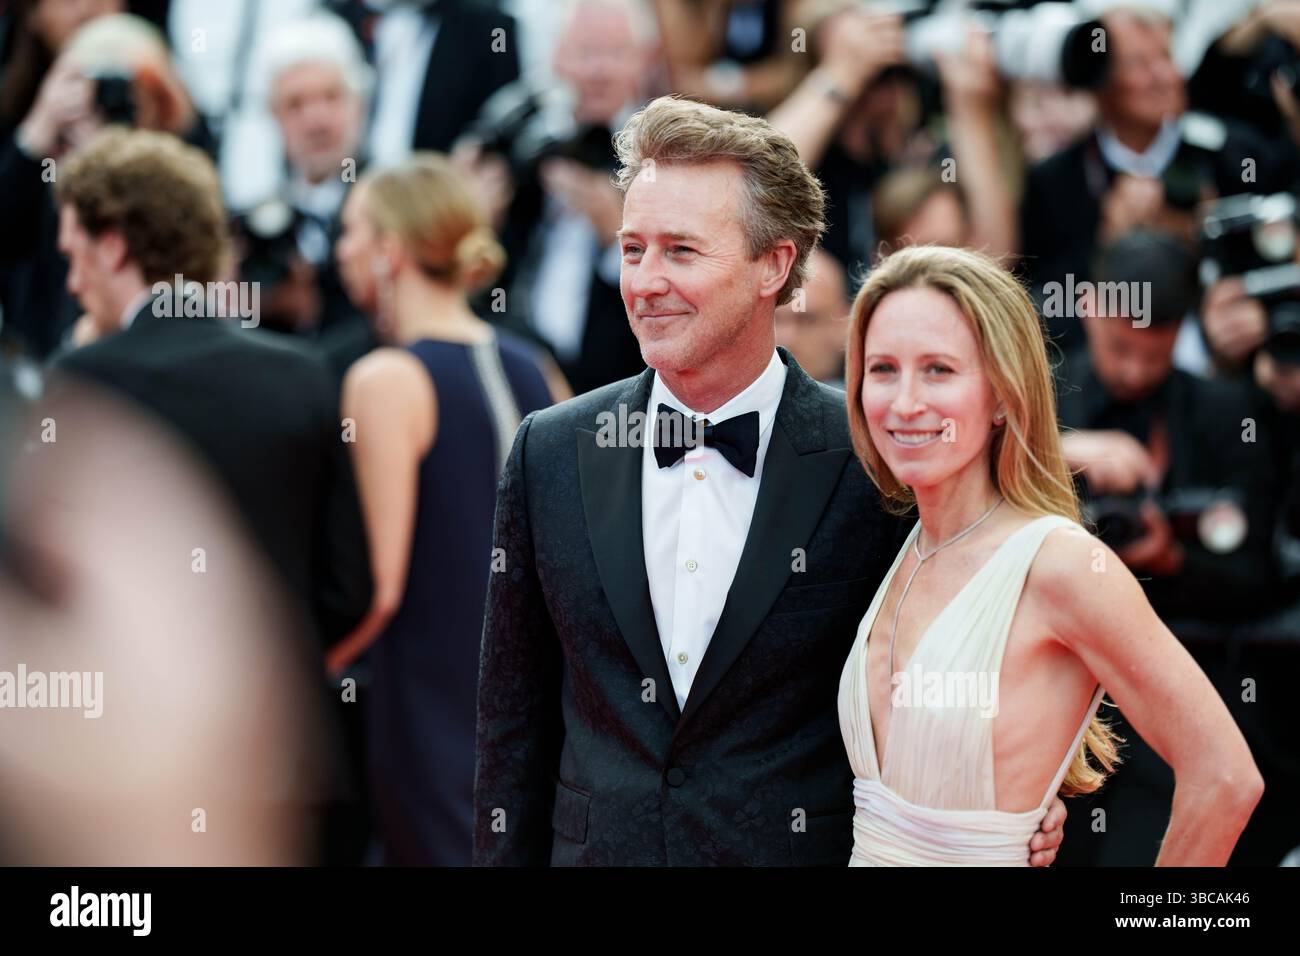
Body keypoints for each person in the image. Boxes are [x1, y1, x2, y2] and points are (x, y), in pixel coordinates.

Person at [473, 95, 1069, 867]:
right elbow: (510, 728)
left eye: (681, 252)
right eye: (632, 250)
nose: (645, 282)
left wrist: (1021, 795)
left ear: (775, 265)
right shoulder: (549, 450)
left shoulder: (877, 456)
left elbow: (958, 678)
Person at [839, 243, 1263, 866]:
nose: (905, 402)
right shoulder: (904, 545)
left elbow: (1226, 777)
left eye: (938, 370)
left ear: (1005, 396)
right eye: (882, 369)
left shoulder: (1061, 565)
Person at [326, 153, 561, 865]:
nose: (340, 251)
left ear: (390, 251)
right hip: (526, 705)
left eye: (351, 231)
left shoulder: (386, 378)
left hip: (429, 702)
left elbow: (380, 588)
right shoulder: (536, 366)